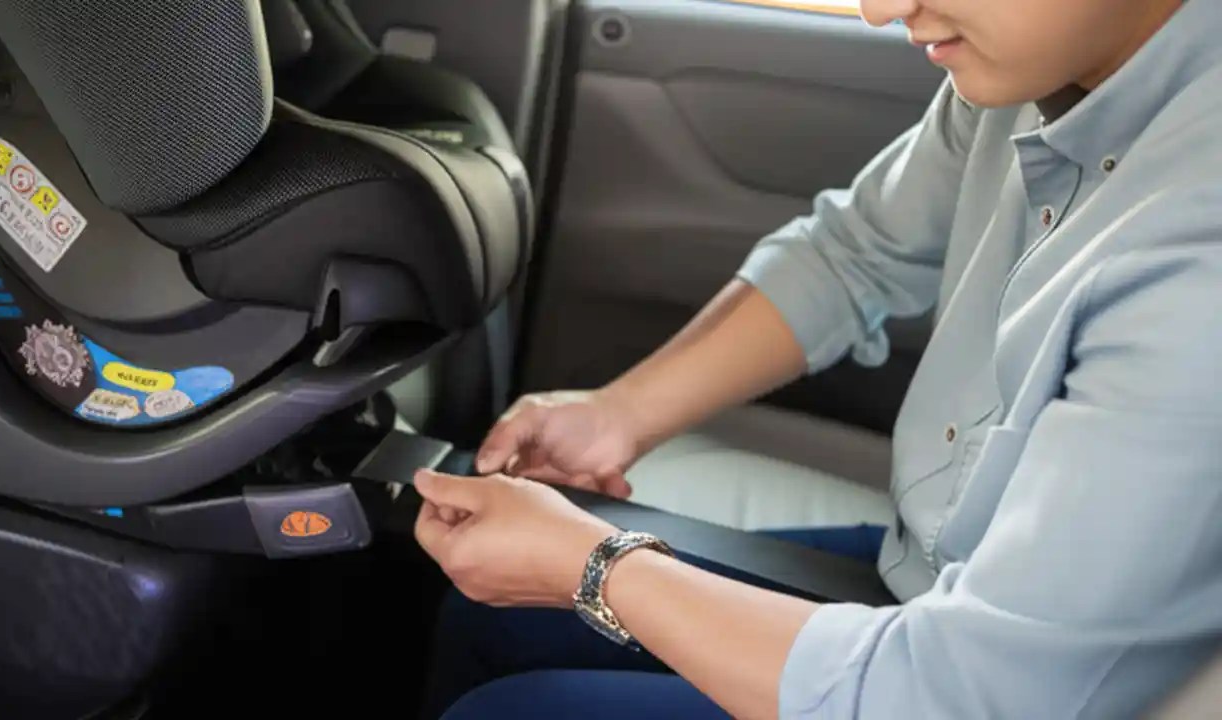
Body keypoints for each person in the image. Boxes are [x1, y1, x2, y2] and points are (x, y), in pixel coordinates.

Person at [412, 0, 1222, 716]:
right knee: (488, 614)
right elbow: (856, 253)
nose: (879, 10)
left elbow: (969, 692)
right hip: (937, 578)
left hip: (983, 685)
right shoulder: (1042, 69)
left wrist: (591, 565)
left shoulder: (1198, 258)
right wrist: (617, 416)